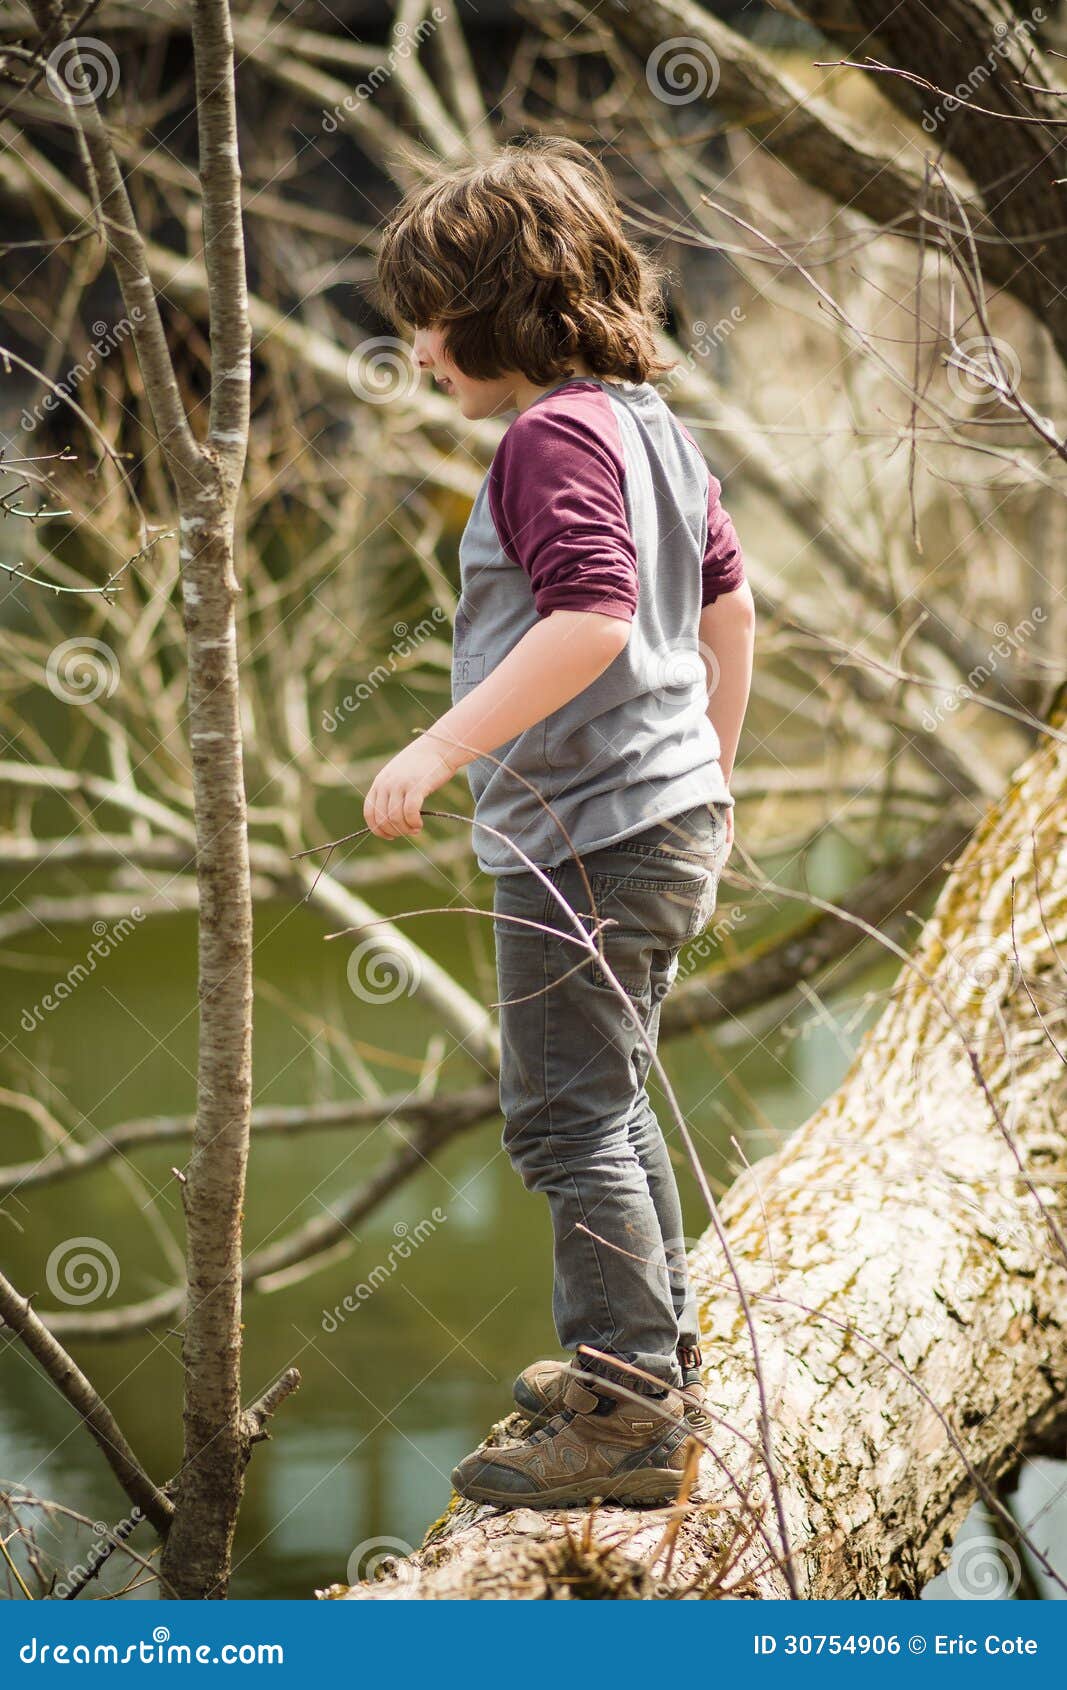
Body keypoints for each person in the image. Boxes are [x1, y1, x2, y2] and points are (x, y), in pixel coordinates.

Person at [366, 137, 755, 1508]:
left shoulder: (546, 437)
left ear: (492, 309)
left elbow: (592, 618)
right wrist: (707, 771)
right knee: (607, 1094)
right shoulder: (656, 424)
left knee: (561, 1114)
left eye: (426, 317)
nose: (416, 350)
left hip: (584, 840)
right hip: (665, 821)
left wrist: (435, 743)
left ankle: (626, 1412)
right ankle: (650, 1367)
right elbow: (728, 612)